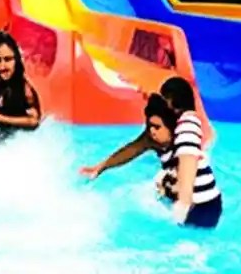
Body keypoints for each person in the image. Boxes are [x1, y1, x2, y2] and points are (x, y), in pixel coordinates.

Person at [80, 91, 223, 229]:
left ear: (172, 128)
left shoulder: (184, 140)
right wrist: (101, 166)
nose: (152, 131)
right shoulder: (152, 139)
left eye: (157, 127)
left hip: (204, 205)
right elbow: (131, 150)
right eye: (149, 126)